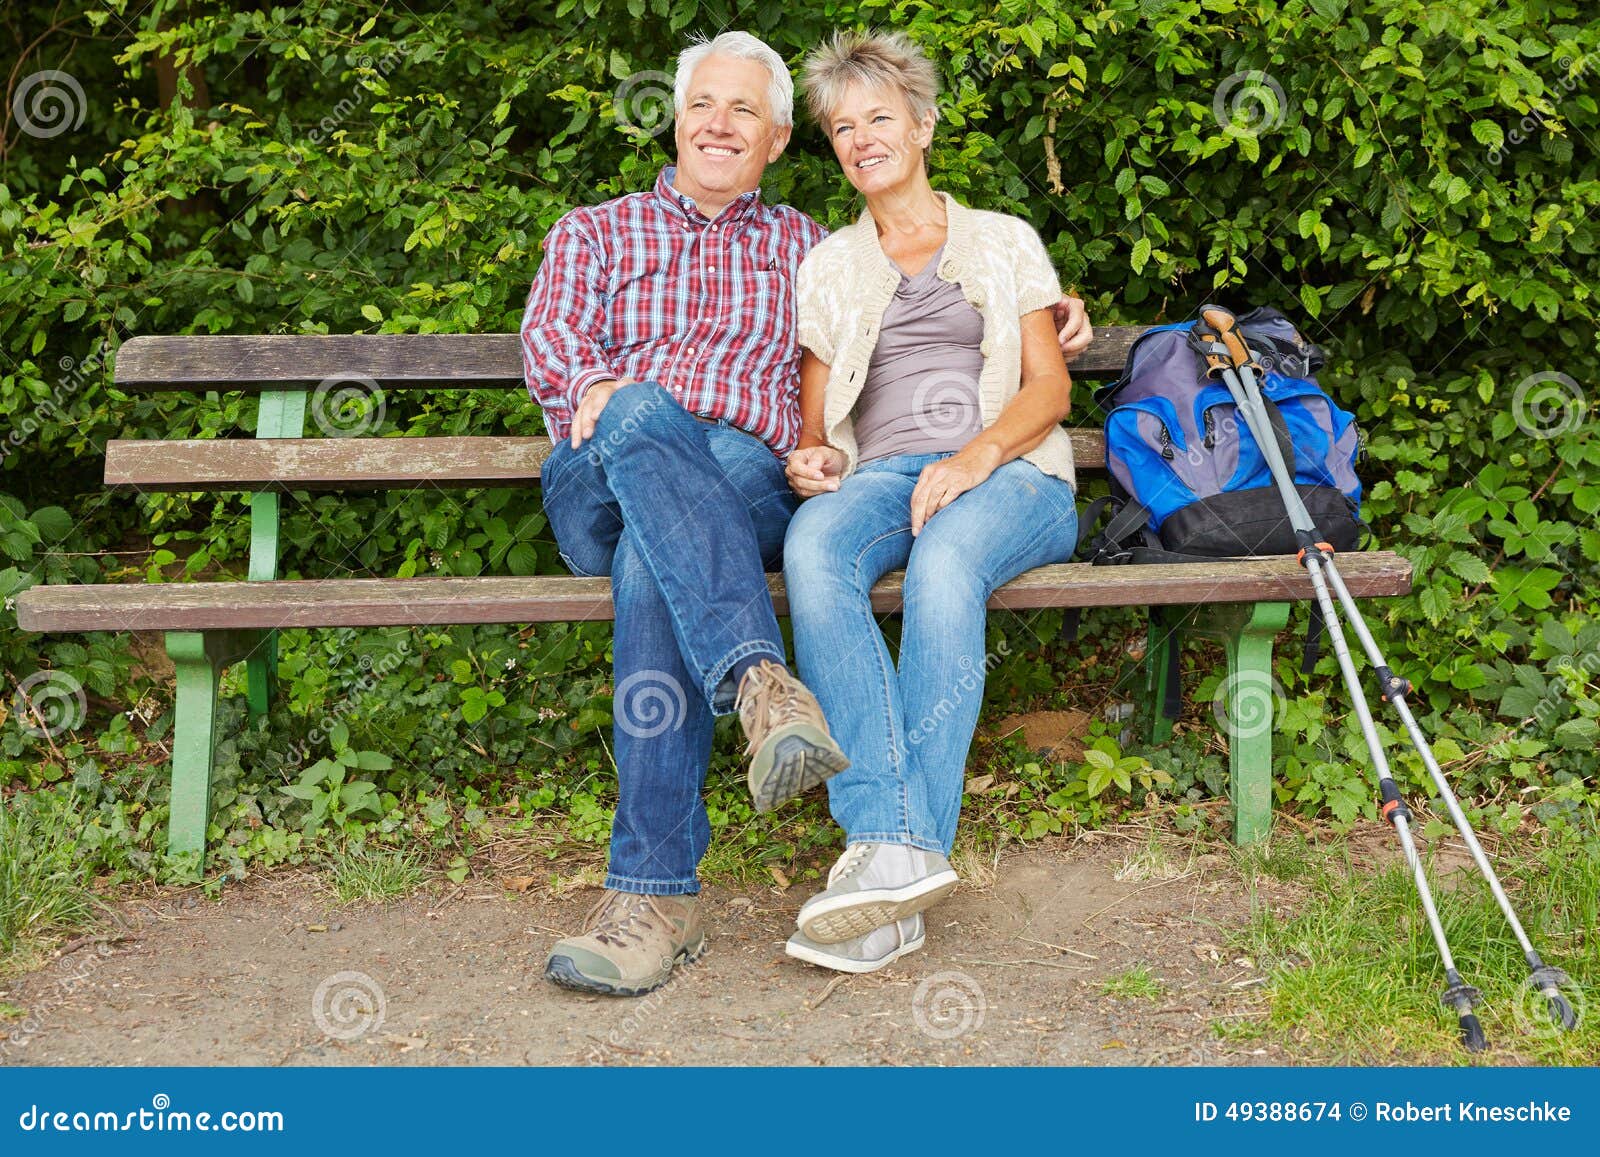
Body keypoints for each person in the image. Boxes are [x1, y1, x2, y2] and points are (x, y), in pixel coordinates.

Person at [521, 30, 1093, 997]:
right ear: (675, 115)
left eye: (745, 110)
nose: (719, 123)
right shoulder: (594, 230)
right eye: (704, 102)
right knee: (644, 412)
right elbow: (554, 350)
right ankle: (757, 680)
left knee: (656, 560)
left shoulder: (801, 246)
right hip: (606, 467)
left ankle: (657, 900)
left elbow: (845, 387)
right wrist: (617, 403)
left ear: (779, 140)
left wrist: (1053, 308)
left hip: (739, 477)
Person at [780, 30, 1085, 975]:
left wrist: (975, 455)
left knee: (947, 561)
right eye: (842, 126)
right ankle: (897, 861)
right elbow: (818, 417)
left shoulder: (1002, 240)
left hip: (1015, 471)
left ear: (921, 124)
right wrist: (815, 460)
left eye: (879, 118)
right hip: (885, 475)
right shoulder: (830, 263)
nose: (861, 138)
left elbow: (1049, 390)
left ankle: (887, 851)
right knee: (812, 549)